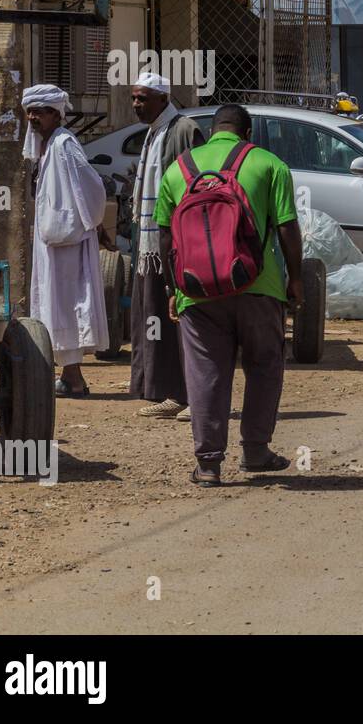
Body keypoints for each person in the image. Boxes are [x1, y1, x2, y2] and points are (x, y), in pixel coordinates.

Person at [156, 104, 302, 486]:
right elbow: (287, 227)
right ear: (247, 133)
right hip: (260, 286)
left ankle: (208, 464)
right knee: (264, 366)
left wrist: (172, 288)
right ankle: (255, 451)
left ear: (212, 131)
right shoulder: (269, 164)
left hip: (197, 291)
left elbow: (165, 236)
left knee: (206, 373)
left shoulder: (177, 170)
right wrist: (296, 279)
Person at [23, 83, 109, 397]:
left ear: (56, 114)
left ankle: (73, 378)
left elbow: (91, 186)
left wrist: (88, 222)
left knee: (67, 304)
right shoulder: (48, 146)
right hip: (52, 241)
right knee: (56, 304)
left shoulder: (64, 143)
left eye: (39, 112)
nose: (33, 118)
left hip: (68, 241)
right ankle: (71, 376)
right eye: (30, 112)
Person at [129, 71, 205, 420]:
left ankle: (194, 396)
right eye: (134, 98)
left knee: (182, 319)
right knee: (154, 316)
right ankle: (170, 392)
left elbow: (196, 187)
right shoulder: (153, 132)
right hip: (152, 244)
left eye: (142, 98)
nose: (136, 104)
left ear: (163, 99)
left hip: (176, 244)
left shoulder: (184, 130)